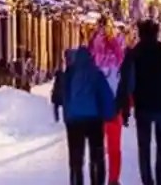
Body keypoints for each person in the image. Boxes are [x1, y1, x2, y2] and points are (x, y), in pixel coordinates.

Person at [121, 20, 161, 185]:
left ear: (140, 34)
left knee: (144, 146)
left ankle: (147, 180)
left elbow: (128, 83)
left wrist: (125, 107)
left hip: (143, 106)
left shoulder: (134, 54)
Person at [62, 47, 117, 185]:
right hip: (94, 119)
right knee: (97, 156)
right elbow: (106, 96)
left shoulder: (70, 74)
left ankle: (76, 181)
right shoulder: (96, 73)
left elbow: (65, 96)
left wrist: (67, 117)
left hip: (74, 121)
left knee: (76, 159)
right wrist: (110, 115)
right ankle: (97, 181)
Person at [89, 16, 127, 185]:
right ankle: (113, 179)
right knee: (113, 147)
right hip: (113, 104)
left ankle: (99, 178)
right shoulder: (118, 50)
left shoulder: (93, 49)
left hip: (98, 105)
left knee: (98, 146)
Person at [51, 51, 69, 122]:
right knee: (62, 106)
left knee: (57, 106)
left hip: (59, 91)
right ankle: (60, 118)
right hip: (60, 91)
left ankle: (57, 118)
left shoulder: (62, 71)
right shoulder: (64, 71)